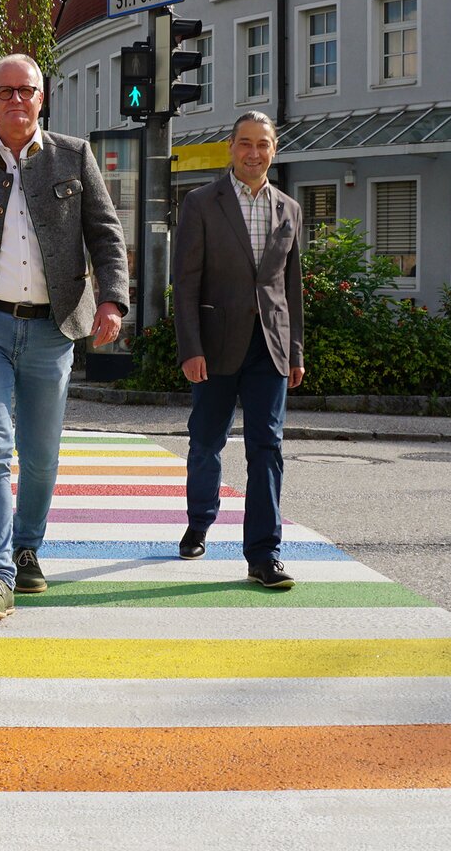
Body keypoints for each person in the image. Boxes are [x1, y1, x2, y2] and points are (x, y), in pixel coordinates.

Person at [0, 54, 128, 622]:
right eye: (4, 91)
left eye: (25, 90)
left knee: (40, 455)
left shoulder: (73, 156)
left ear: (41, 97)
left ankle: (27, 546)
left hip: (52, 329)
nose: (16, 99)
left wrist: (112, 298)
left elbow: (106, 234)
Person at [171, 112, 305, 589]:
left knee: (267, 446)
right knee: (207, 440)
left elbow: (290, 287)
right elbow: (185, 283)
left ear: (274, 150)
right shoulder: (201, 203)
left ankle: (264, 554)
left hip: (270, 345)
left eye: (262, 144)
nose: (253, 153)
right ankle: (200, 521)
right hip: (214, 344)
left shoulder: (289, 208)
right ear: (231, 147)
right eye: (245, 143)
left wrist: (295, 350)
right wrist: (190, 347)